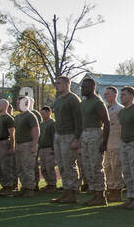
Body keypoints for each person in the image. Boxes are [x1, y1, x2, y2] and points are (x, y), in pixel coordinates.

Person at [49, 76, 82, 203]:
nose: (57, 85)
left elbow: (78, 120)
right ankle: (66, 191)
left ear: (67, 84)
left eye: (59, 83)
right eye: (56, 83)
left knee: (69, 164)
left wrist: (76, 139)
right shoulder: (58, 100)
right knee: (61, 165)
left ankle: (72, 193)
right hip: (59, 135)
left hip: (69, 135)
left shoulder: (73, 99)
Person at [78, 77, 110, 206]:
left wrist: (104, 142)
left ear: (93, 88)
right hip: (85, 134)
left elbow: (106, 123)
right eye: (82, 87)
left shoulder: (97, 102)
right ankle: (94, 192)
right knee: (87, 165)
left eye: (85, 87)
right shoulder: (84, 103)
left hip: (95, 133)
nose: (82, 89)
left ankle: (101, 195)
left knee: (96, 165)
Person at [13, 95, 40, 197]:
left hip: (28, 144)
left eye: (19, 103)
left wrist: (34, 145)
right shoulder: (18, 117)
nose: (17, 105)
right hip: (19, 145)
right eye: (17, 102)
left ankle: (29, 189)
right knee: (20, 168)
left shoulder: (30, 116)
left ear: (26, 104)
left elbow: (36, 131)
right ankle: (24, 187)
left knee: (27, 167)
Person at [101, 87, 124, 201]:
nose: (106, 96)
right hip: (107, 144)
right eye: (105, 94)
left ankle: (117, 191)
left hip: (116, 143)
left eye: (109, 94)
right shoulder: (105, 108)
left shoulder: (120, 109)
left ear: (115, 95)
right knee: (107, 168)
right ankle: (110, 189)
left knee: (116, 168)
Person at [0, 99, 17, 196]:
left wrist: (12, 147)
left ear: (5, 106)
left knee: (6, 166)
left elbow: (12, 134)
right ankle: (4, 186)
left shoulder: (8, 118)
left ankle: (9, 186)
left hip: (4, 142)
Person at [37, 105, 57, 191]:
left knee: (50, 167)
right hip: (42, 148)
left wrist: (53, 148)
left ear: (49, 112)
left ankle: (52, 184)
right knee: (43, 168)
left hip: (49, 148)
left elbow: (54, 137)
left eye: (44, 113)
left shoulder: (52, 123)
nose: (42, 115)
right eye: (41, 114)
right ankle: (48, 183)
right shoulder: (41, 124)